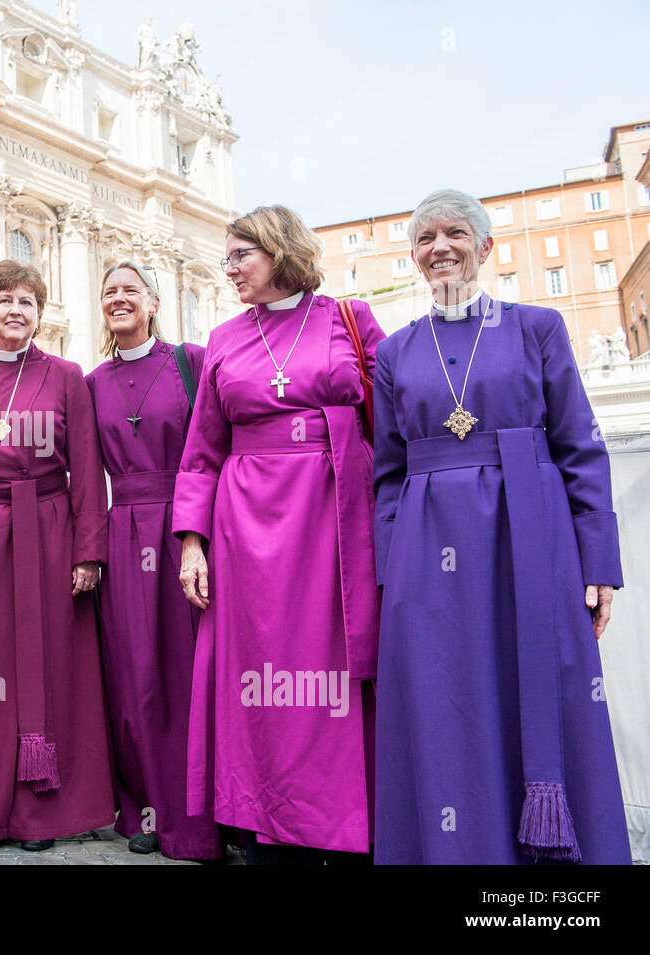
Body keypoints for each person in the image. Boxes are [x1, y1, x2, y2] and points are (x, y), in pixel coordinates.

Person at [372, 189, 630, 864]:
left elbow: (579, 444)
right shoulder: (394, 353)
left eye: (456, 232)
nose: (440, 247)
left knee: (543, 683)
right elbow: (388, 473)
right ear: (414, 257)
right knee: (445, 699)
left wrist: (598, 562)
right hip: (426, 554)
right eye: (425, 238)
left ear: (485, 248)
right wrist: (389, 573)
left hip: (530, 538)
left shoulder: (536, 327)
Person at [176, 205, 383, 863]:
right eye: (227, 257)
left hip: (335, 518)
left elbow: (397, 418)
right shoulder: (224, 338)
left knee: (335, 675)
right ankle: (270, 829)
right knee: (263, 680)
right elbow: (202, 450)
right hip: (249, 530)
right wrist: (190, 541)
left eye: (241, 254)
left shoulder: (349, 320)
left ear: (280, 250)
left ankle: (349, 828)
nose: (229, 267)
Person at [0, 259, 113, 850]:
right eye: (5, 299)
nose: (15, 310)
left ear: (41, 315)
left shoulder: (65, 376)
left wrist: (89, 554)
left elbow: (86, 470)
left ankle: (39, 814)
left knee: (45, 666)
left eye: (28, 302)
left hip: (45, 534)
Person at [85, 261, 217, 860]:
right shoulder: (90, 383)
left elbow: (213, 448)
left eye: (130, 291)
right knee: (135, 672)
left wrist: (201, 533)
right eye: (109, 292)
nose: (119, 299)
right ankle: (145, 810)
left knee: (194, 669)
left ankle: (210, 815)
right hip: (125, 527)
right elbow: (85, 476)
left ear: (154, 302)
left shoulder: (191, 360)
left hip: (189, 527)